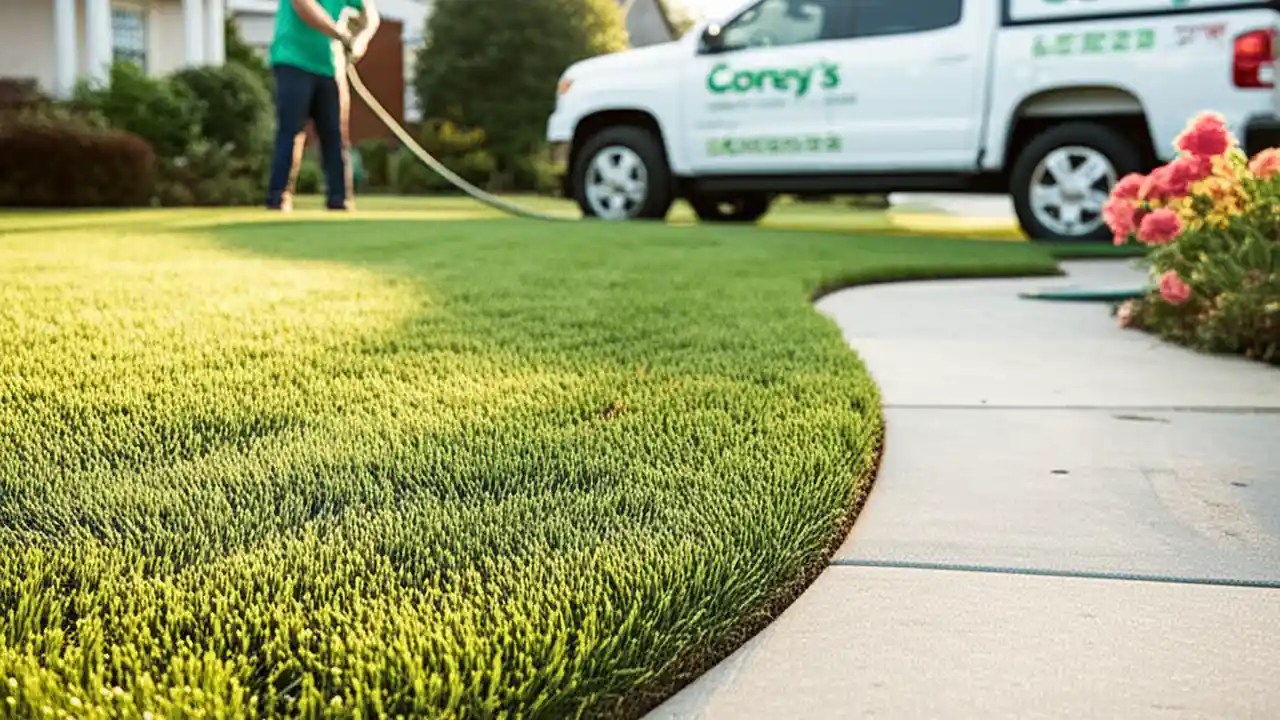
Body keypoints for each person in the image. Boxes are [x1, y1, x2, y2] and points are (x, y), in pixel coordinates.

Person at [266, 0, 379, 211]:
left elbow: (370, 15)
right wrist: (341, 35)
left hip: (330, 68)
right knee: (291, 132)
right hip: (293, 61)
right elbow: (305, 7)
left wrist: (360, 41)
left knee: (335, 136)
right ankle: (278, 197)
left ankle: (340, 199)